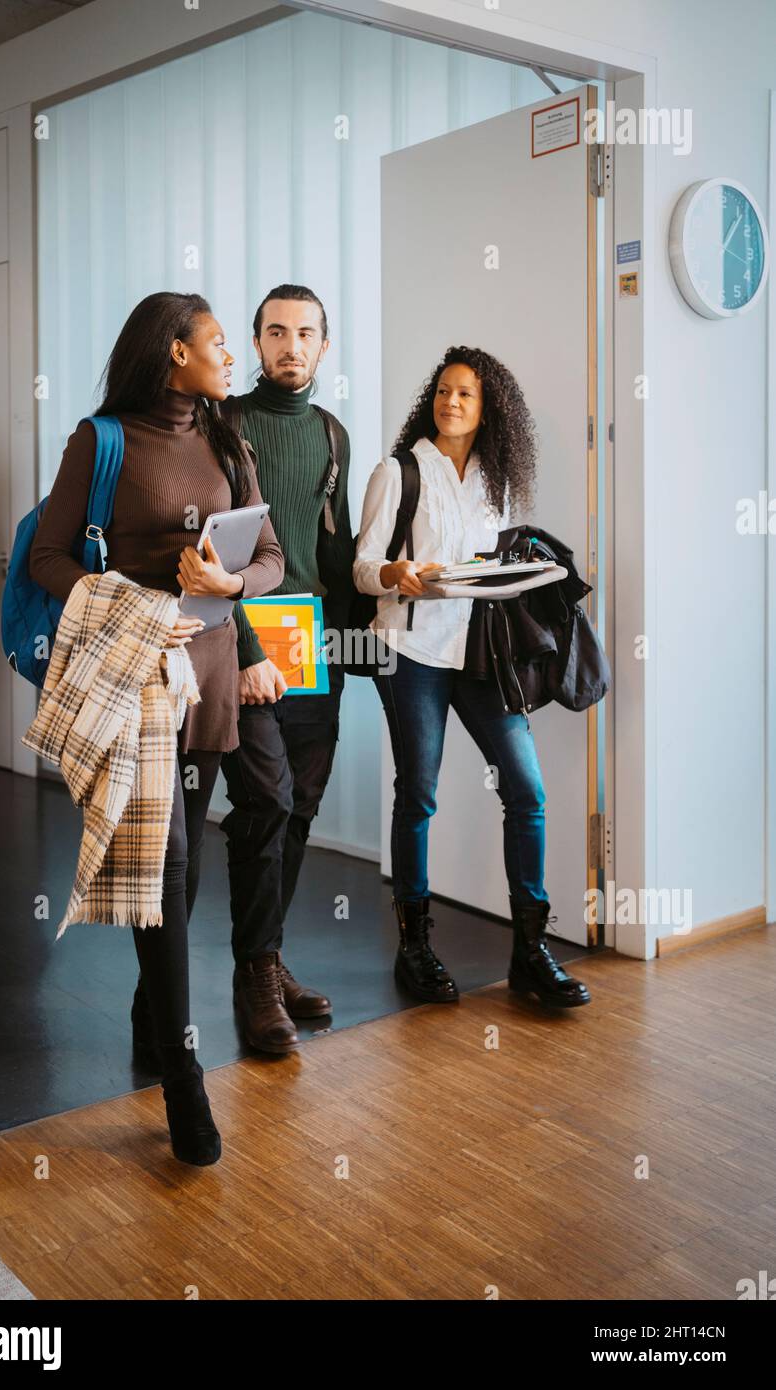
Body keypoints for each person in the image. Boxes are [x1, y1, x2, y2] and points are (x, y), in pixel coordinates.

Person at [28, 291, 284, 1164]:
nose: (232, 358)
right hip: (134, 677)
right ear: (174, 350)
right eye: (219, 342)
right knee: (164, 858)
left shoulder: (226, 439)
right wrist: (131, 604)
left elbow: (272, 557)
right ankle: (182, 1071)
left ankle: (152, 1008)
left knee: (188, 856)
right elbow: (47, 558)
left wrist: (228, 586)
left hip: (209, 675)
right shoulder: (99, 442)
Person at [353, 346, 591, 1010]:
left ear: (489, 410)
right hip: (412, 651)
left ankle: (530, 953)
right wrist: (398, 575)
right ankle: (416, 949)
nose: (452, 402)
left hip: (481, 652)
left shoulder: (498, 480)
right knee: (419, 795)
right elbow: (362, 567)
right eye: (444, 392)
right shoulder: (398, 472)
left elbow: (496, 564)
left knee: (526, 790)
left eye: (466, 395)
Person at [217, 284, 356, 1054]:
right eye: (276, 332)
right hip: (246, 644)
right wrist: (242, 649)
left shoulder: (334, 435)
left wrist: (381, 583)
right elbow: (218, 552)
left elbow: (330, 553)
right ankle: (253, 977)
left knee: (300, 805)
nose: (290, 345)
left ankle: (268, 958)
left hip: (314, 643)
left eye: (305, 333)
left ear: (324, 345)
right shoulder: (226, 424)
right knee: (264, 800)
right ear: (257, 341)